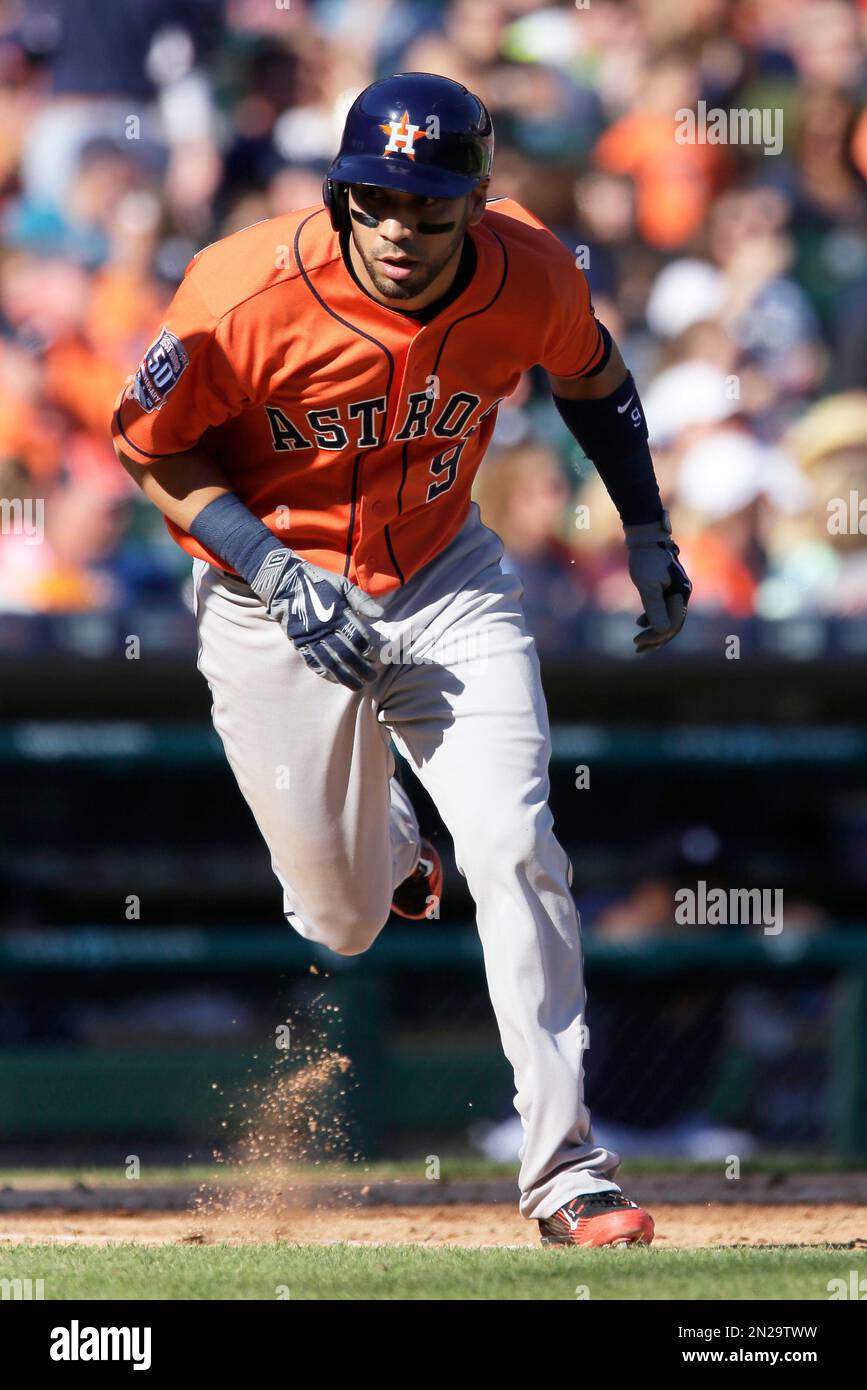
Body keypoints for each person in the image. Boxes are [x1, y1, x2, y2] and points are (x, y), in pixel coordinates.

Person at [111, 72, 691, 1247]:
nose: (397, 227)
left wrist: (643, 527)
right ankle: (394, 849)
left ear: (476, 202)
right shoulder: (241, 292)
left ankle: (566, 1170)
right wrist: (275, 574)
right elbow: (146, 449)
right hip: (266, 592)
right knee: (342, 922)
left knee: (519, 839)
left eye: (427, 205)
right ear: (340, 193)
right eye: (373, 198)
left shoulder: (531, 270)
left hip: (445, 577)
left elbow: (597, 379)